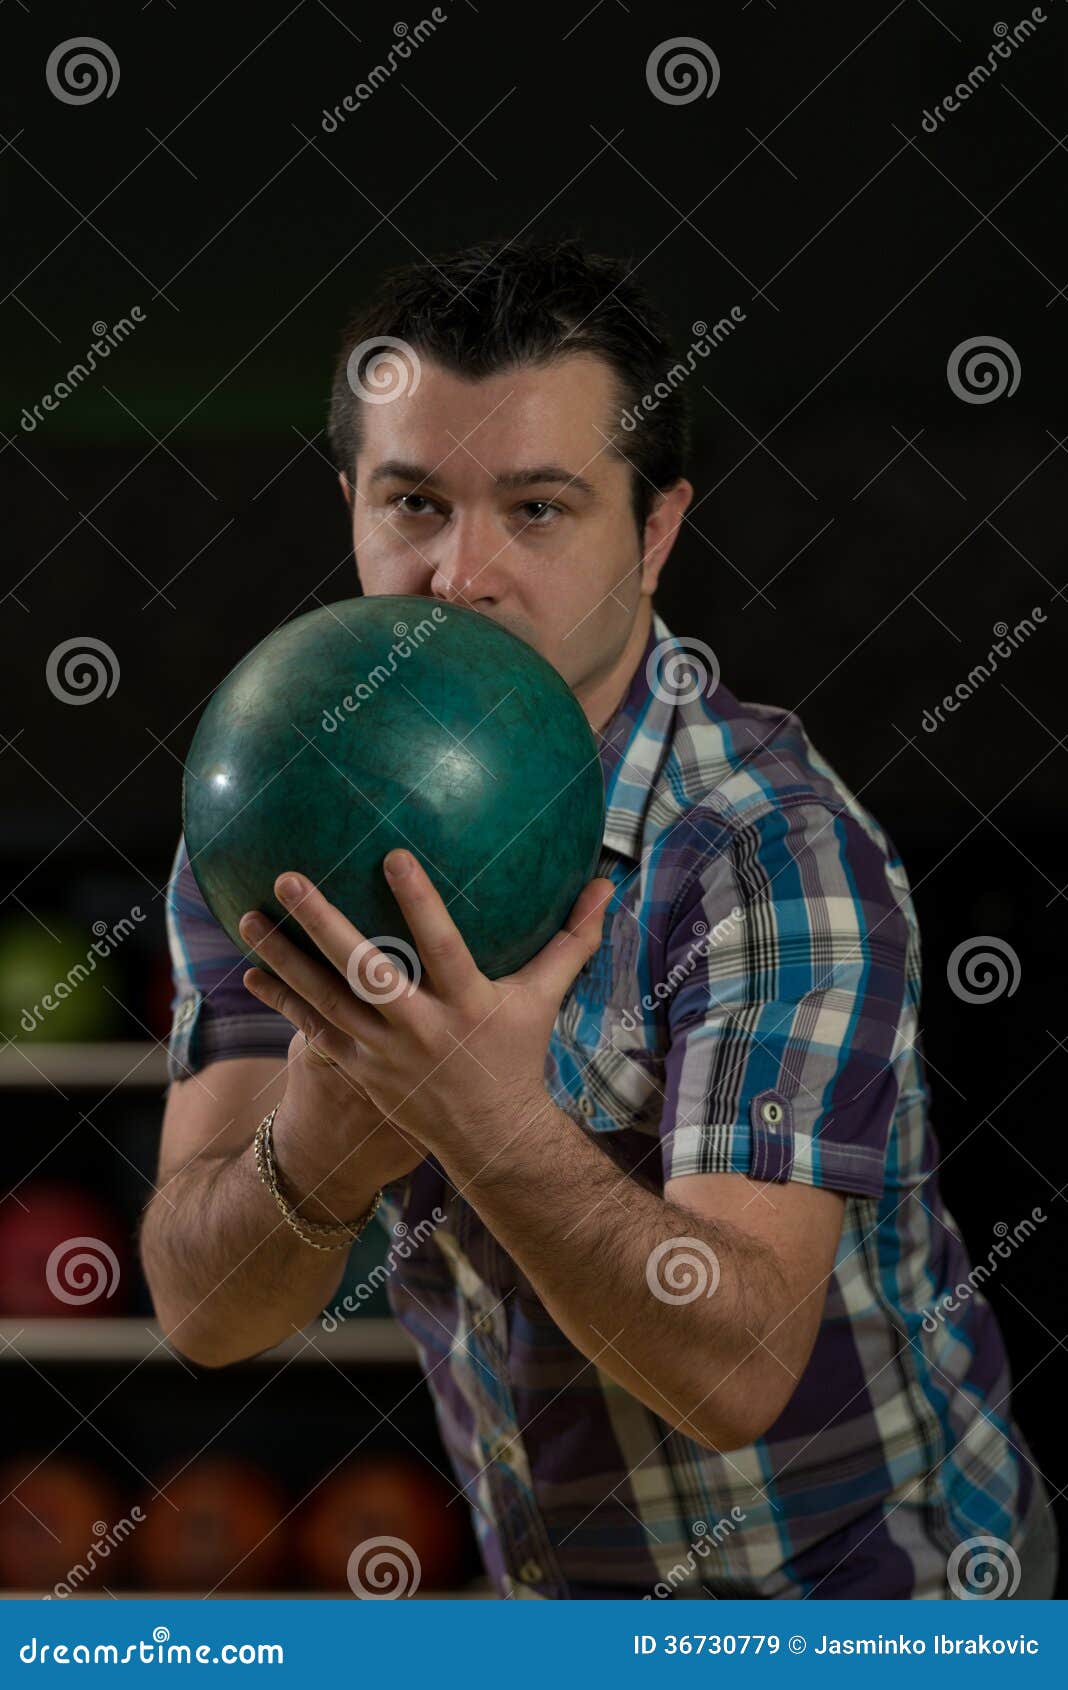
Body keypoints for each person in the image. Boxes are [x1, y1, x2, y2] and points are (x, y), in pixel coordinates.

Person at [142, 237, 1056, 1600]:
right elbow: (204, 1308)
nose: (460, 576)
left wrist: (487, 1122)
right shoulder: (275, 815)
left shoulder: (763, 846)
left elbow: (738, 1366)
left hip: (884, 1611)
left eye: (539, 508)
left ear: (657, 527)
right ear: (351, 504)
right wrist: (318, 1152)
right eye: (413, 503)